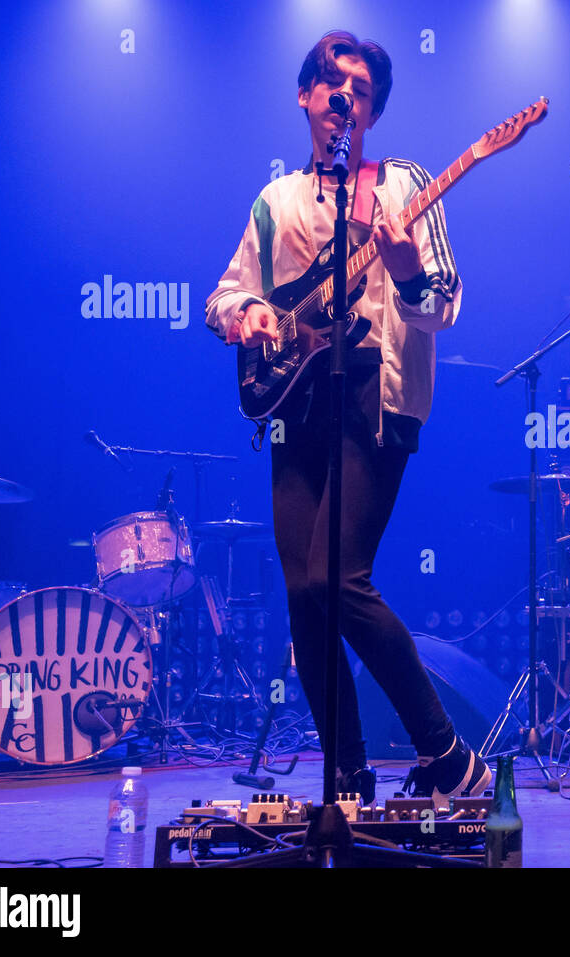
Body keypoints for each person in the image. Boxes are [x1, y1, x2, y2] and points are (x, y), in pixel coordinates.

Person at [204, 30, 489, 806]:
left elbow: (444, 306)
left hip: (378, 397)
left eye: (360, 91)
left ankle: (448, 754)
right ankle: (347, 771)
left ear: (372, 110)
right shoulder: (278, 202)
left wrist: (404, 271)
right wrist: (253, 319)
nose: (345, 99)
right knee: (303, 595)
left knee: (340, 575)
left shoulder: (404, 186)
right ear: (305, 96)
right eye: (332, 84)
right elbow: (224, 295)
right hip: (296, 402)